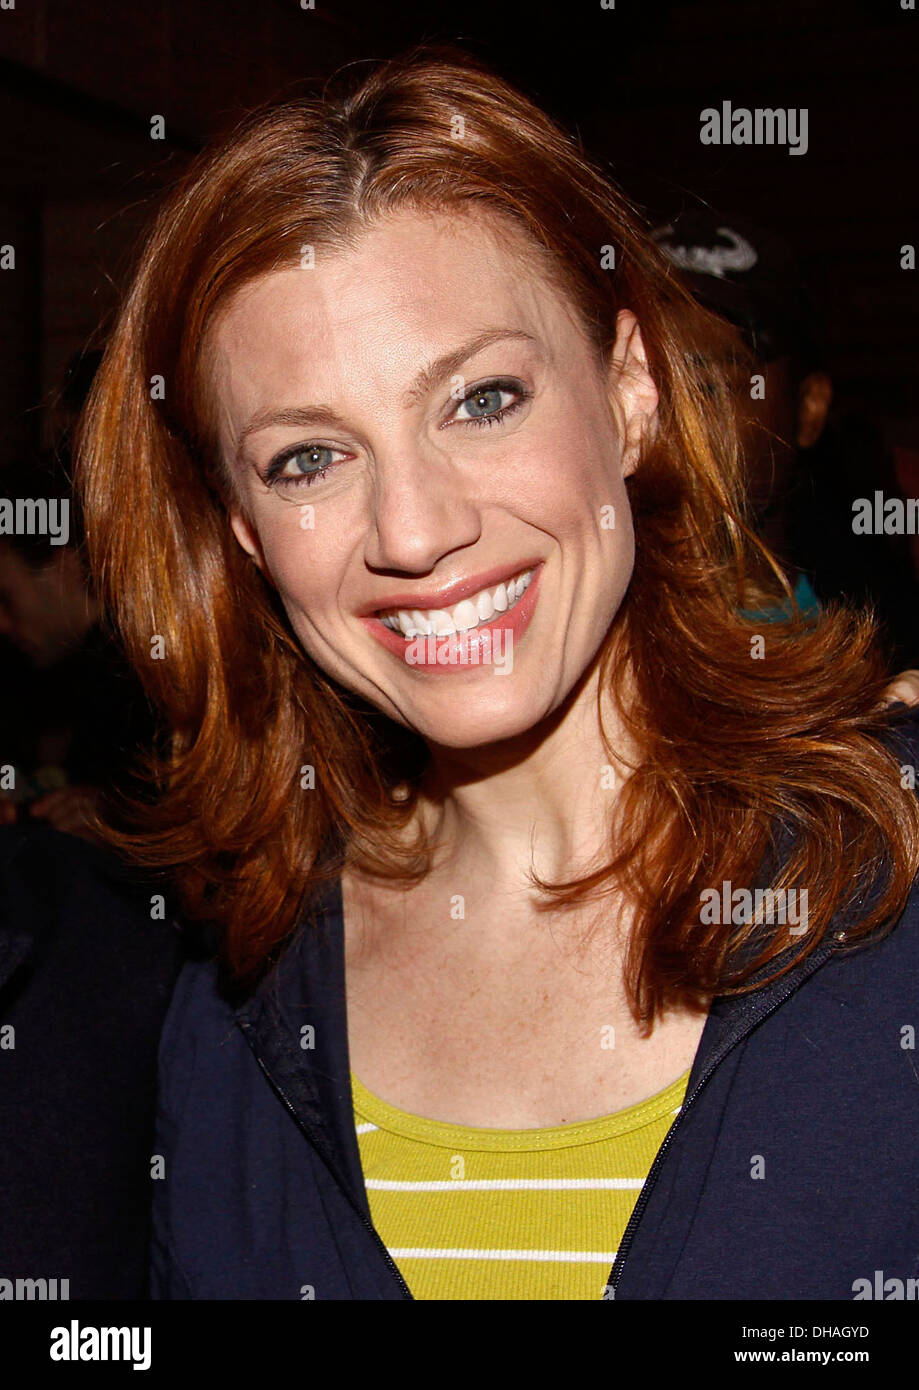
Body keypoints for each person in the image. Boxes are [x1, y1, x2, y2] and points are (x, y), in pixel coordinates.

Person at [74, 49, 919, 1301]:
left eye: (481, 398)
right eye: (308, 458)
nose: (412, 532)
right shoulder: (237, 1000)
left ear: (628, 390)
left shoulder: (889, 866)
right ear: (245, 531)